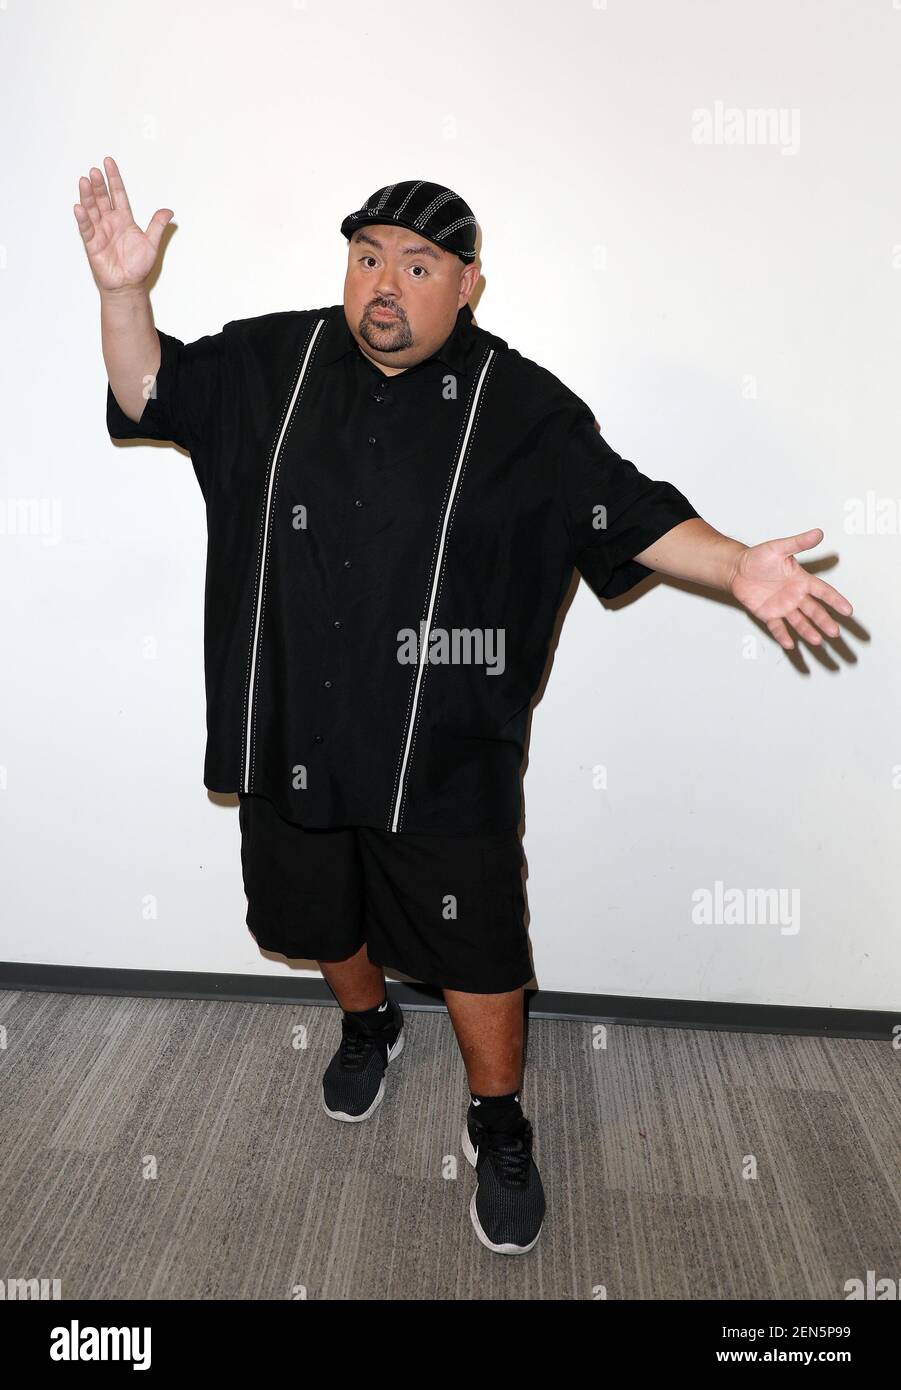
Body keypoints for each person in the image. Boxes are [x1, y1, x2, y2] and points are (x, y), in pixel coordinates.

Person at [75, 158, 853, 1258]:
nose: (383, 282)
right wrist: (122, 294)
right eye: (367, 256)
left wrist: (735, 568)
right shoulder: (274, 362)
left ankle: (497, 1122)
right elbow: (149, 387)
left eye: (418, 263)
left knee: (481, 952)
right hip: (290, 721)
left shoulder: (520, 408)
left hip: (437, 750)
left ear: (468, 284)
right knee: (313, 917)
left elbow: (623, 512)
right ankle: (368, 1021)